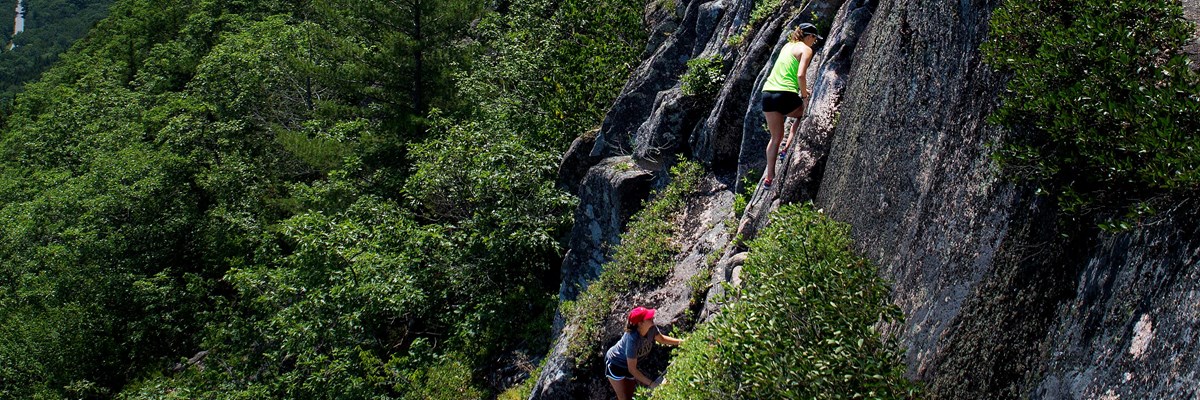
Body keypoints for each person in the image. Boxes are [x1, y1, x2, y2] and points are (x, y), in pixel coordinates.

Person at [759, 22, 822, 188]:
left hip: (768, 93)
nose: (814, 42)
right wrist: (804, 95)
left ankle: (769, 178)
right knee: (802, 115)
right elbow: (800, 74)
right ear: (809, 36)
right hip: (785, 94)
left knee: (775, 137)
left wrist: (801, 88)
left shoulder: (787, 46)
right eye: (814, 39)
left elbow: (787, 72)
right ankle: (787, 149)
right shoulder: (806, 49)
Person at [604, 306, 684, 400]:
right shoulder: (632, 339)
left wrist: (682, 342)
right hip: (615, 364)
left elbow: (662, 339)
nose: (652, 318)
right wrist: (652, 384)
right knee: (624, 398)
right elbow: (632, 369)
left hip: (629, 366)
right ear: (640, 323)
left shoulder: (651, 329)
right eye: (649, 318)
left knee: (629, 395)